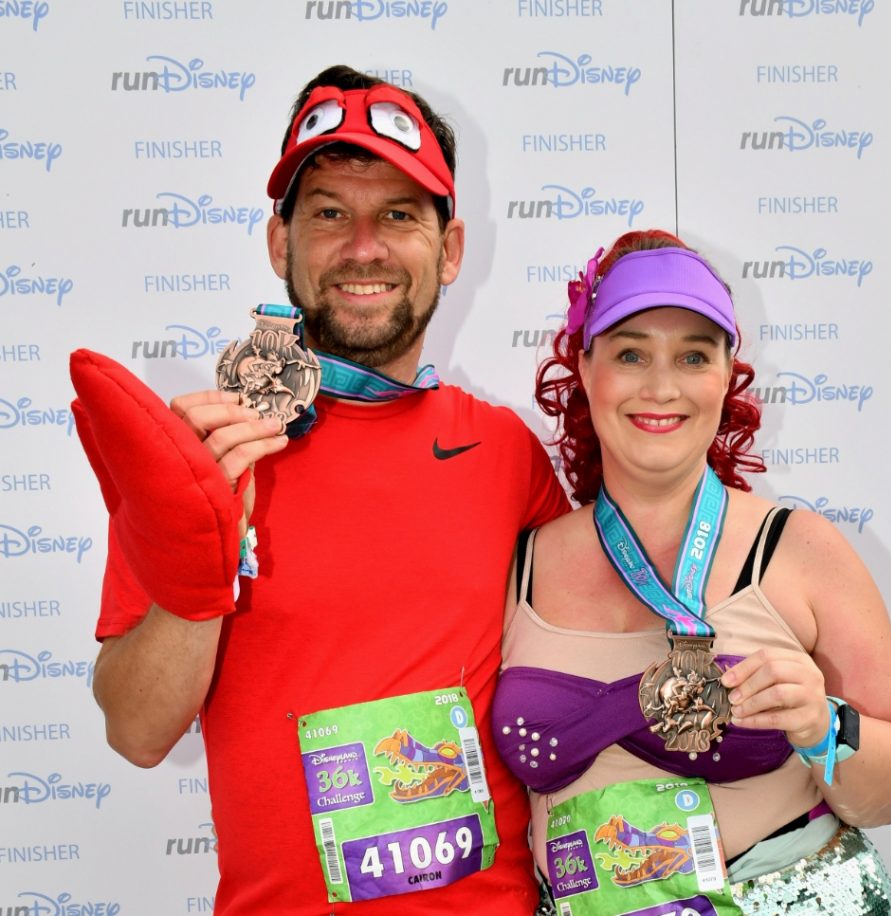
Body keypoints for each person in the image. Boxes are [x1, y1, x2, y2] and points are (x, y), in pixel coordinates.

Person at [86, 66, 569, 915]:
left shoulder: (506, 456)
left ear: (450, 249)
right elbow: (135, 732)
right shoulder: (199, 455)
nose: (363, 246)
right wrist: (201, 552)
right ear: (281, 244)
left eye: (398, 215)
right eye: (329, 213)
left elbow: (583, 691)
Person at [492, 229, 891, 914]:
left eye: (693, 356)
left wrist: (823, 725)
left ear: (726, 374)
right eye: (631, 353)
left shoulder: (801, 548)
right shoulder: (517, 565)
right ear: (585, 367)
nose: (661, 386)